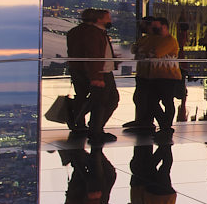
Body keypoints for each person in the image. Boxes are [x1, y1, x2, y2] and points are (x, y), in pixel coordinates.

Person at [63, 7, 119, 139]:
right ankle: (94, 129)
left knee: (84, 97)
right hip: (99, 71)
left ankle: (80, 123)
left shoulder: (74, 31)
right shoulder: (95, 33)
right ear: (98, 19)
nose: (110, 20)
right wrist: (97, 75)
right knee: (105, 100)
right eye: (107, 17)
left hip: (78, 70)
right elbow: (94, 55)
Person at [131, 12, 184, 136]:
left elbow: (154, 53)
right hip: (154, 76)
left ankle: (165, 126)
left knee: (166, 102)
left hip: (167, 76)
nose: (152, 29)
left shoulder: (169, 40)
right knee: (151, 101)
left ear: (164, 26)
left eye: (156, 26)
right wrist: (144, 52)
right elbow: (136, 49)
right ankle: (163, 126)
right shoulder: (150, 38)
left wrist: (143, 51)